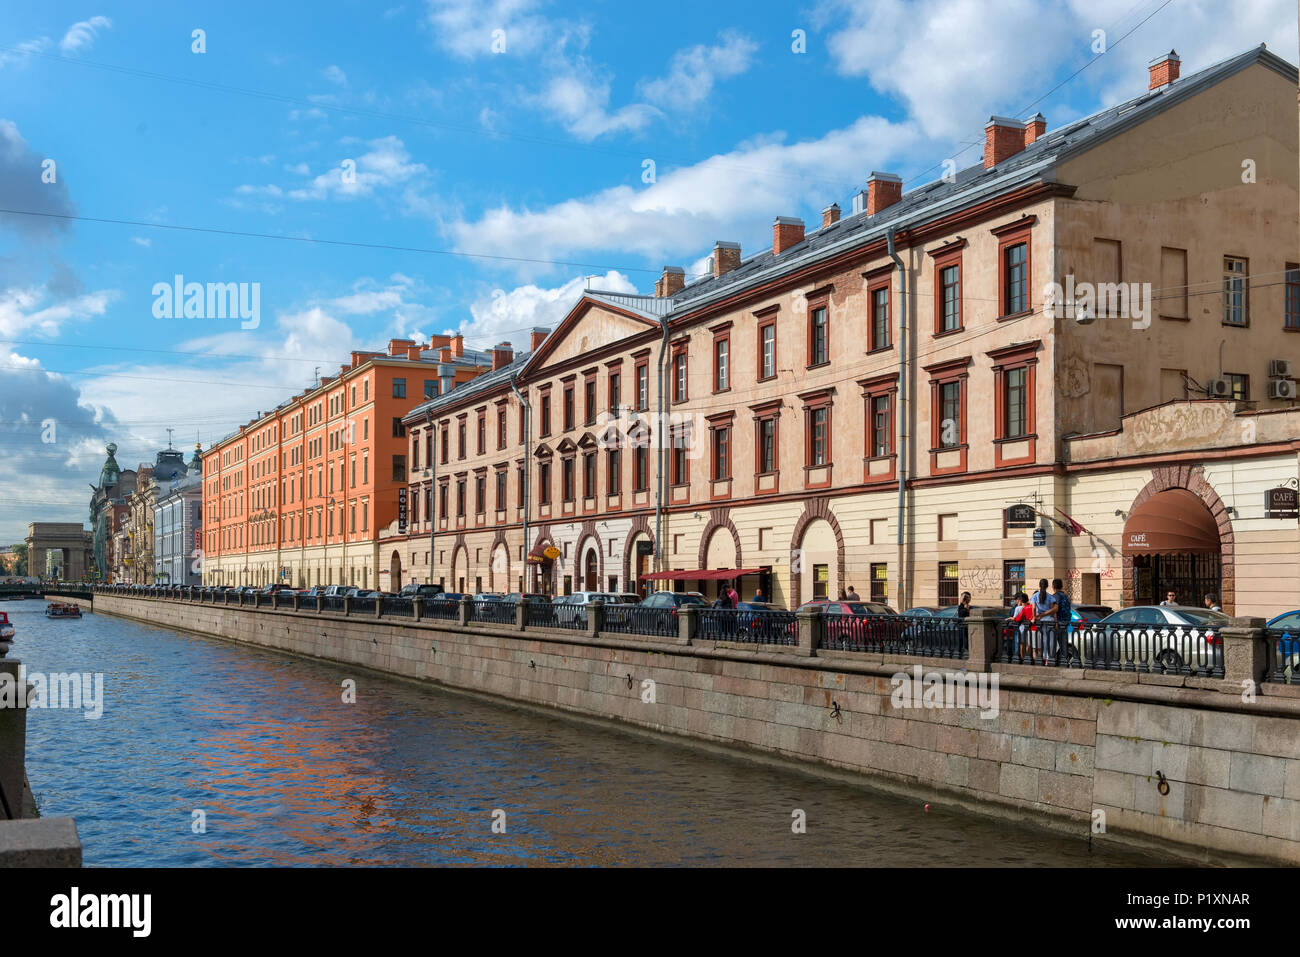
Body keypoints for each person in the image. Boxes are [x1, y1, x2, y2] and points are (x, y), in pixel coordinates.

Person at [1030, 579, 1057, 660]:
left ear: (1039, 585)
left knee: (1043, 639)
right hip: (1050, 620)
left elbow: (1034, 608)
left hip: (1041, 620)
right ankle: (1051, 656)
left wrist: (1034, 617)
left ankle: (1045, 657)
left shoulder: (1035, 596)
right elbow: (1053, 611)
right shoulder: (1050, 597)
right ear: (1047, 586)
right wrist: (1056, 622)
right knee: (1051, 639)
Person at [1011, 592, 1034, 659]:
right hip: (1030, 627)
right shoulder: (1030, 607)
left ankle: (1022, 657)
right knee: (1028, 643)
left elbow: (1016, 618)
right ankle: (1028, 656)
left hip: (1021, 627)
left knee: (1021, 643)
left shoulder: (1018, 608)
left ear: (1020, 600)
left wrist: (1011, 618)